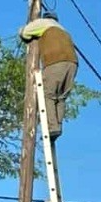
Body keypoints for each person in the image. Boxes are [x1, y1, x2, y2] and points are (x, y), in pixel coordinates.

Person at [18, 10, 77, 141]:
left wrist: (22, 30)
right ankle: (57, 126)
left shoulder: (43, 23)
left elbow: (25, 33)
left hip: (56, 61)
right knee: (60, 97)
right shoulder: (64, 31)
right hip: (72, 63)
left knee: (46, 93)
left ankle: (52, 127)